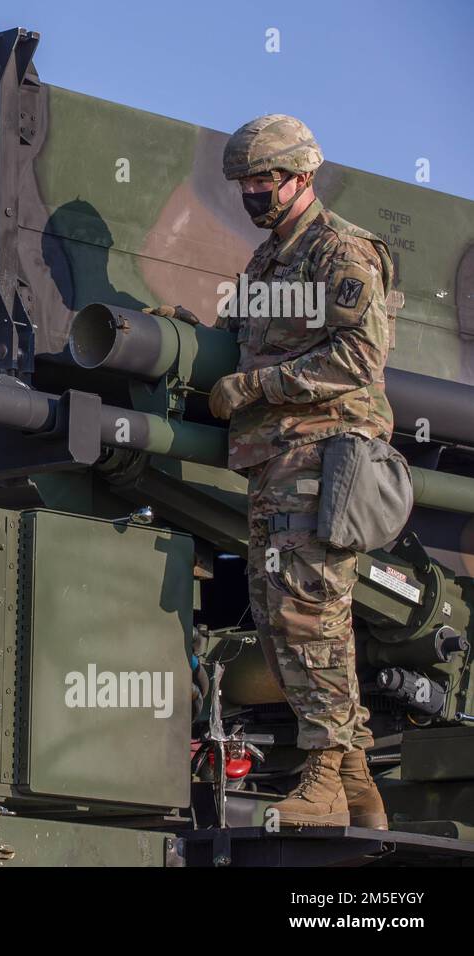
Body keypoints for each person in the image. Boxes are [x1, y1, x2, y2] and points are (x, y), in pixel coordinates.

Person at [207, 114, 392, 829]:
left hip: (322, 454)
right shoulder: (267, 262)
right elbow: (243, 340)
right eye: (244, 181)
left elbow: (358, 359)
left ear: (301, 177)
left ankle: (323, 779)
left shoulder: (338, 250)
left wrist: (256, 390)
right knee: (283, 617)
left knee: (308, 613)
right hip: (276, 460)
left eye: (264, 179)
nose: (252, 192)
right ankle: (354, 783)